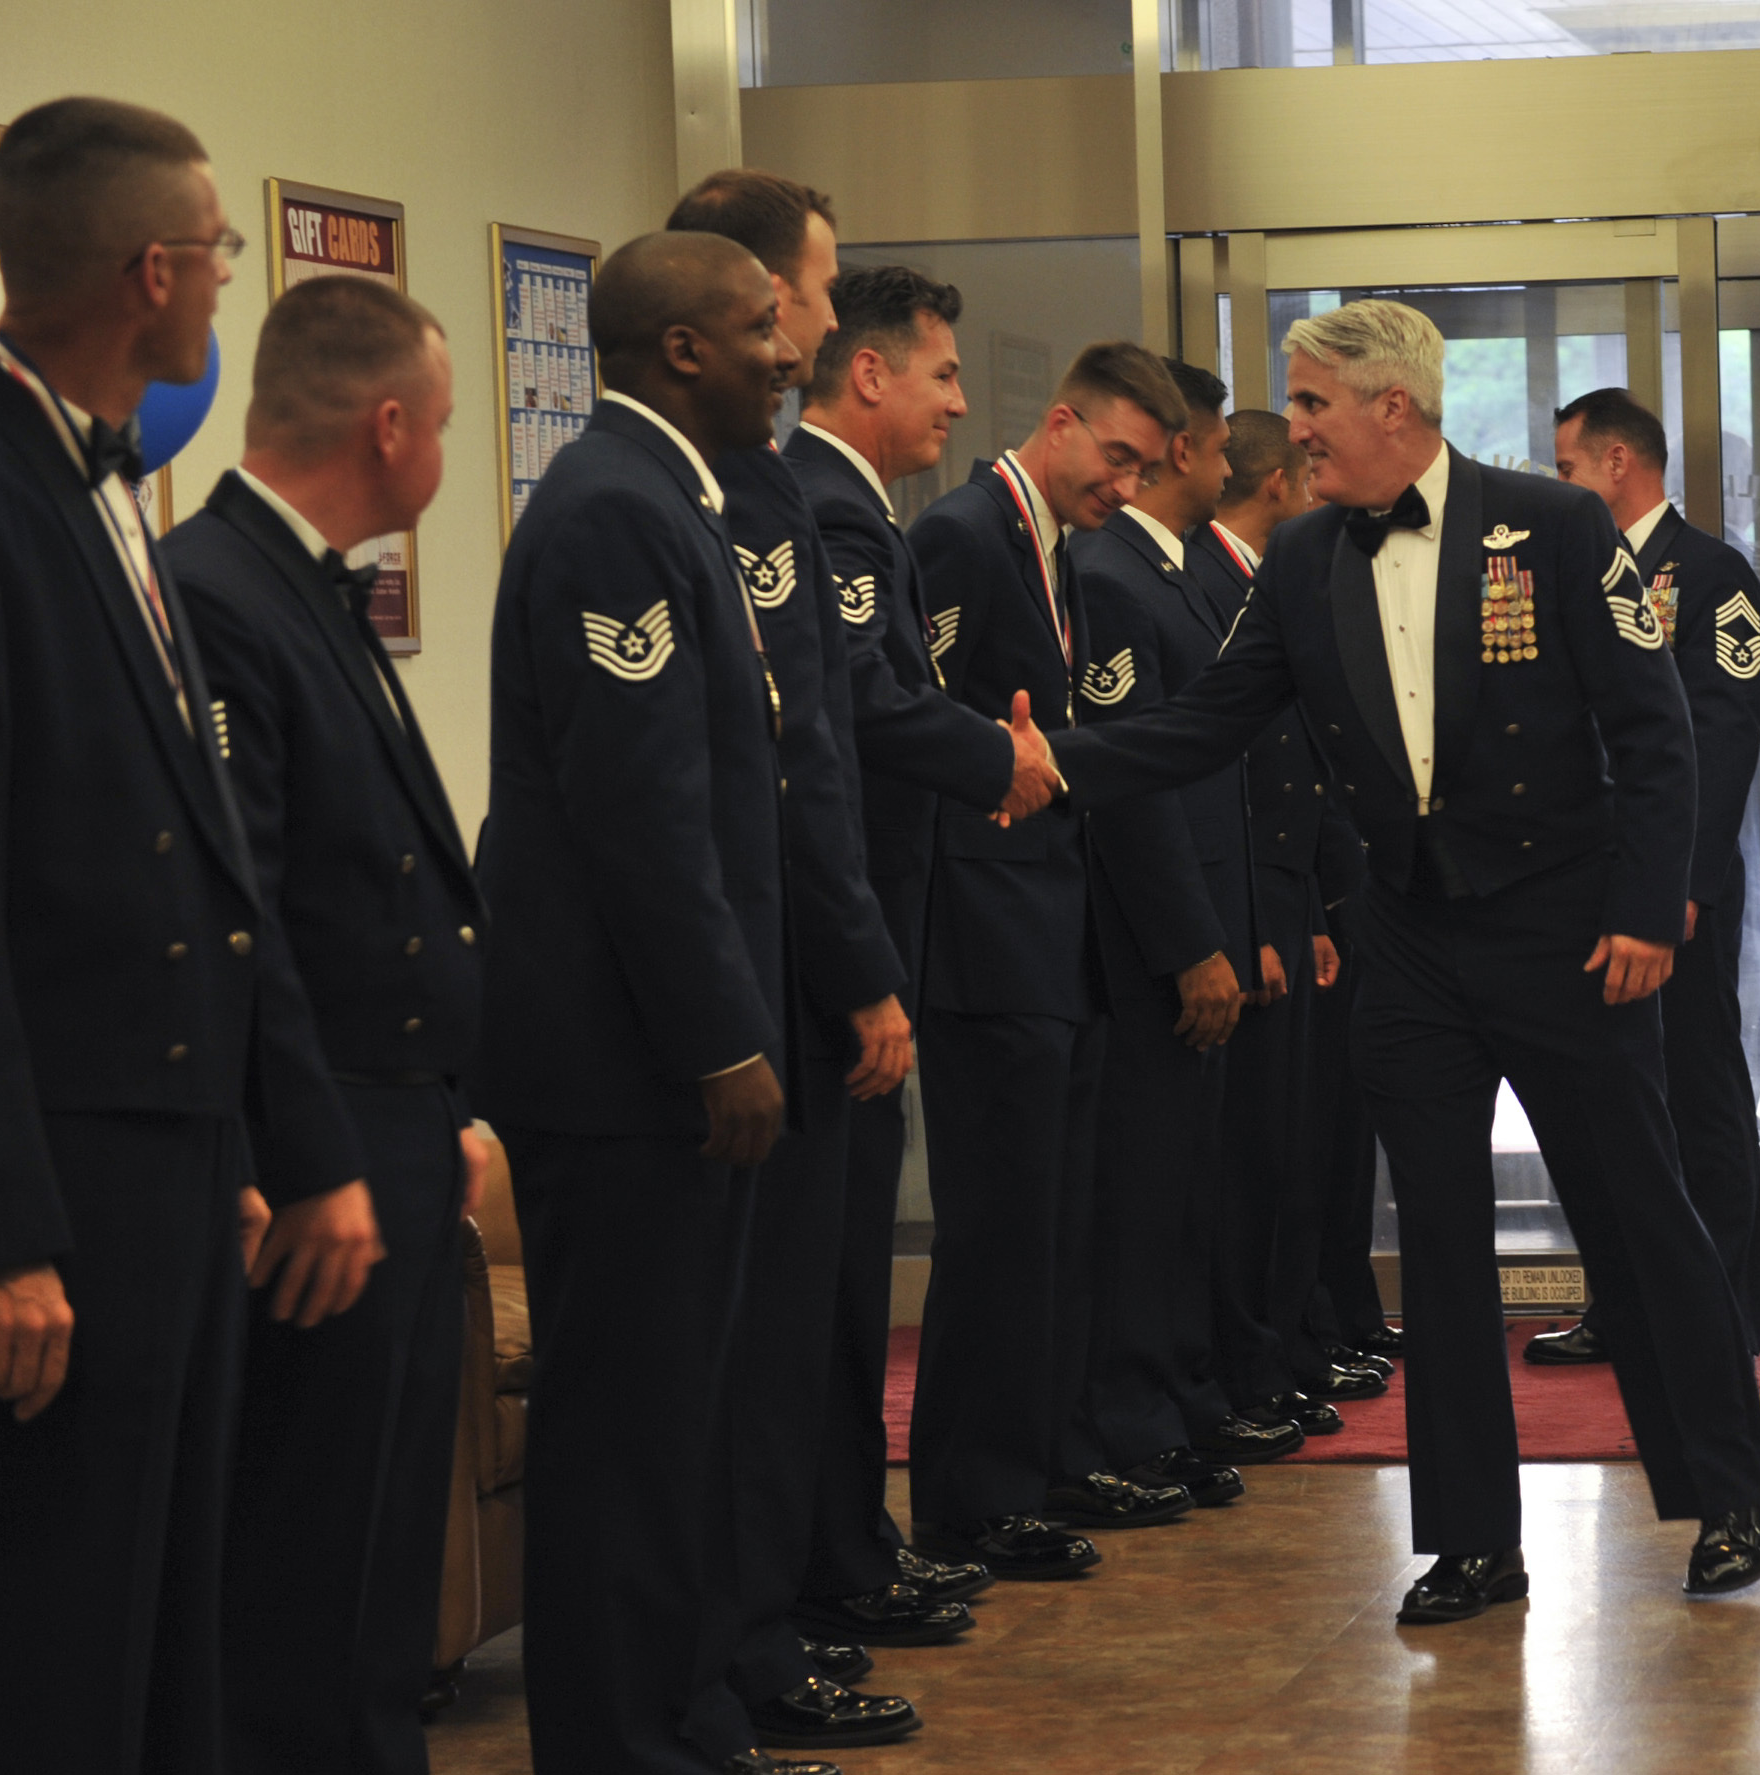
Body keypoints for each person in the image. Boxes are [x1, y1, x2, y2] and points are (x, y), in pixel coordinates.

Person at [1031, 299, 1760, 1621]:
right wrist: (1043, 764)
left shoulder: (1546, 524)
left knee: (1633, 1207)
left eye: (1311, 403)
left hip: (1563, 933)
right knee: (1436, 1240)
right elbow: (1207, 719)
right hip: (1411, 943)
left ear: (1392, 406)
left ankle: (1724, 1489)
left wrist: (1648, 905)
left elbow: (1654, 729)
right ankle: (1474, 1539)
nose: (1292, 430)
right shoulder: (1308, 553)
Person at [0, 96, 372, 1775]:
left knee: (167, 1618)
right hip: (68, 1183)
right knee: (66, 1634)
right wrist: (11, 1231)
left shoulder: (105, 484)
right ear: (151, 270)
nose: (226, 279)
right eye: (217, 250)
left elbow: (203, 878)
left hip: (170, 1158)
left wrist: (267, 1132)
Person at [472, 229, 820, 1775]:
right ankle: (620, 1743)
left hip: (652, 1066)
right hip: (627, 1076)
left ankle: (686, 1720)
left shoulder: (665, 495)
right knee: (624, 1437)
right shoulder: (615, 512)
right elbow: (642, 816)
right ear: (680, 349)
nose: (787, 348)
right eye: (761, 326)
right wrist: (723, 1037)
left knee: (677, 1424)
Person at [162, 275, 487, 1775]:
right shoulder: (220, 590)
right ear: (391, 420)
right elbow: (254, 914)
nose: (448, 445)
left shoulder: (308, 583)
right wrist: (307, 1151)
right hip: (324, 1132)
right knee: (309, 1545)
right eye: (445, 413)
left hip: (396, 1117)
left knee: (379, 1538)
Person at [661, 173, 961, 1745]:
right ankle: (753, 1639)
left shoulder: (754, 489)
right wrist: (857, 970)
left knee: (801, 1331)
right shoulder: (737, 501)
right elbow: (796, 766)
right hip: (766, 982)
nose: (833, 320)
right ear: (752, 303)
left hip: (801, 957)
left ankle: (774, 1622)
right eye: (819, 289)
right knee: (768, 1343)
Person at [902, 341, 1193, 1578]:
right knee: (1001, 1232)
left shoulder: (1053, 546)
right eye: (1115, 456)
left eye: (1143, 469)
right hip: (985, 933)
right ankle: (974, 1495)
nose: (1124, 486)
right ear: (1062, 421)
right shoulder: (966, 534)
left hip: (1050, 927)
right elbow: (913, 715)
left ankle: (1047, 1456)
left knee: (1059, 1224)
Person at [781, 265, 1023, 1619]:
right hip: (838, 948)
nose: (957, 400)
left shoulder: (853, 510)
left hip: (863, 934)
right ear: (868, 373)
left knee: (849, 1282)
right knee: (828, 1300)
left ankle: (851, 1549)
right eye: (939, 372)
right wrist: (1003, 754)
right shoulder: (825, 509)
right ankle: (834, 1562)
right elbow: (859, 719)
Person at [1529, 386, 1760, 1365]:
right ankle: (1623, 1305)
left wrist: (1679, 884)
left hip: (1674, 891)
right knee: (1608, 1106)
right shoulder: (1575, 572)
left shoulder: (1711, 573)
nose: (1563, 485)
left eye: (1569, 467)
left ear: (1618, 463)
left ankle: (1717, 1310)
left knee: (1700, 1096)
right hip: (1584, 883)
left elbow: (1721, 738)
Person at [1066, 357, 1271, 1509]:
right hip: (1150, 934)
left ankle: (1180, 1396)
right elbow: (1134, 782)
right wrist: (1192, 938)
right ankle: (1136, 1413)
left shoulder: (1180, 574)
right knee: (1143, 1194)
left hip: (1212, 917)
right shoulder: (1108, 576)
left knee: (1187, 1185)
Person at [1186, 409, 1381, 1435]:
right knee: (1259, 1157)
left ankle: (1296, 1337)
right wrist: (1265, 914)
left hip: (1294, 894)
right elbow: (1228, 763)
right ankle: (1259, 1354)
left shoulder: (1269, 573)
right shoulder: (1207, 581)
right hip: (1252, 902)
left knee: (1303, 1147)